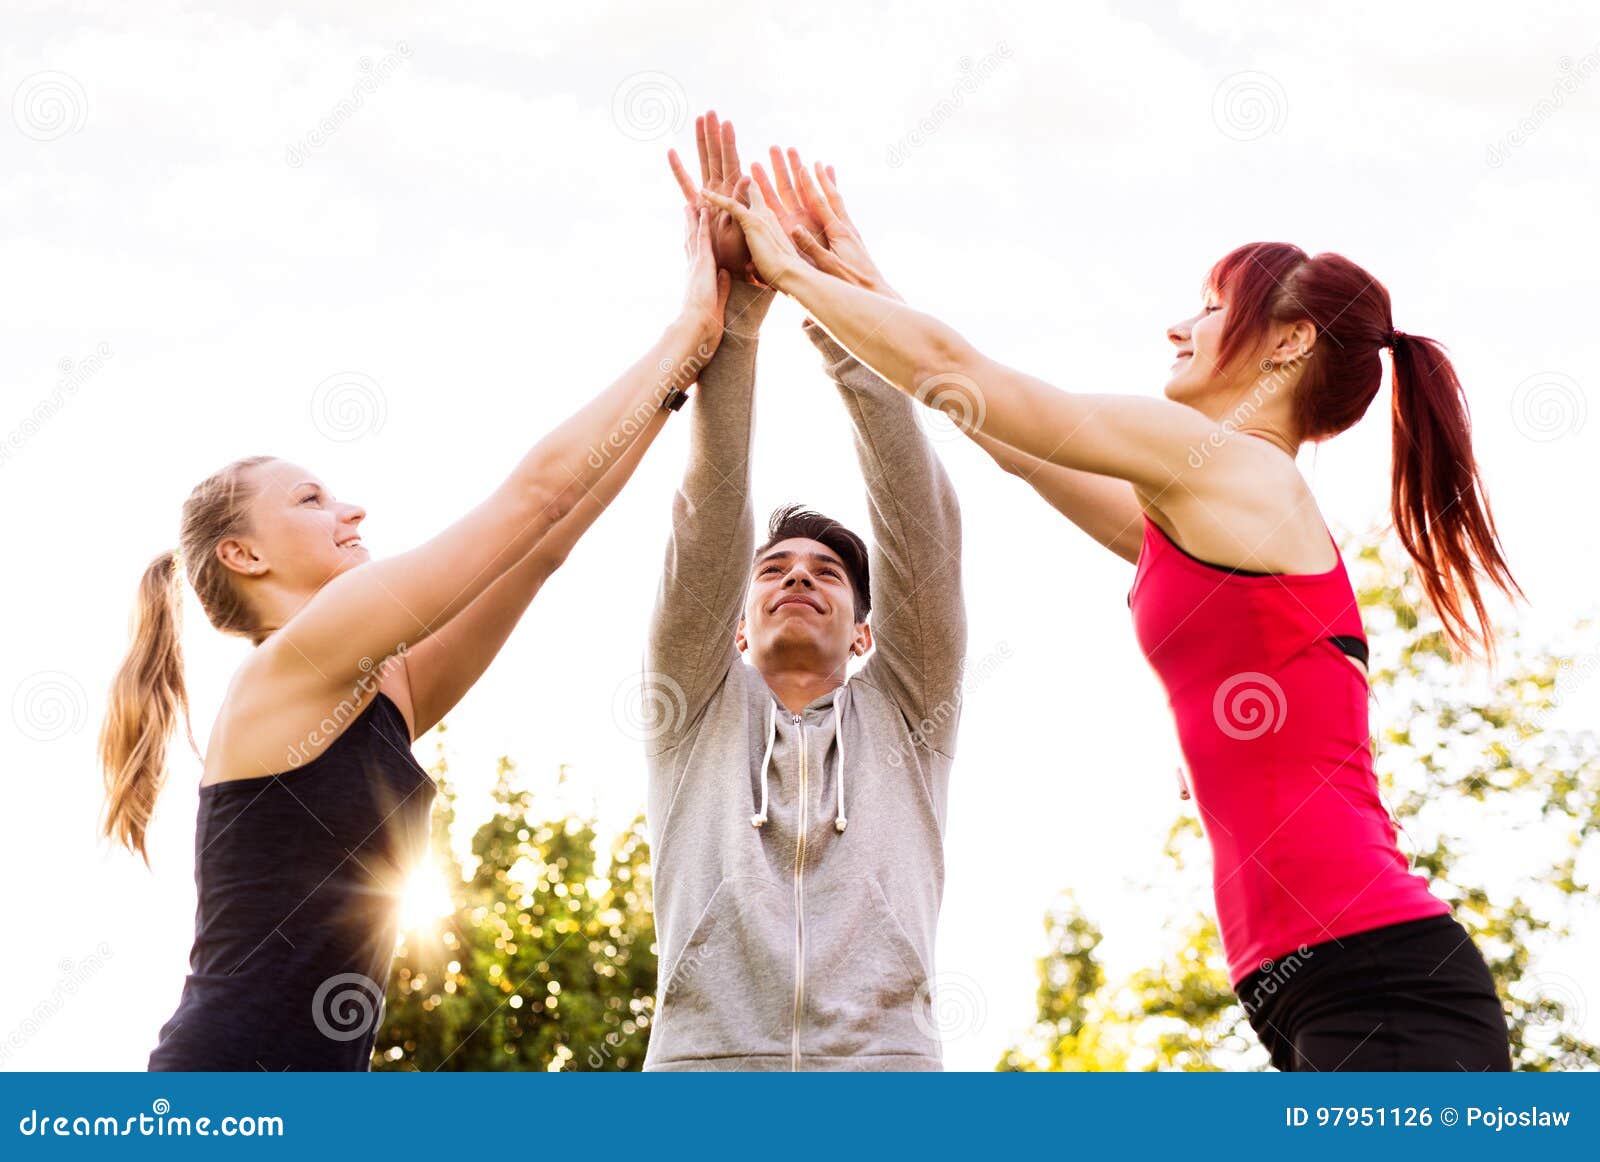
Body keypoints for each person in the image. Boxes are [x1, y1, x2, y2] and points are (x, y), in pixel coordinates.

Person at [707, 163, 1518, 1071]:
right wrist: (866, 289)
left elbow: (961, 376)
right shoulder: (1207, 507)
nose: (1178, 326)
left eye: (1211, 309)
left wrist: (789, 269)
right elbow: (1005, 433)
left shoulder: (1227, 467)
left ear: (1288, 342)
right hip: (1317, 983)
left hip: (1379, 980)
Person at [102, 211, 731, 1071]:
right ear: (242, 554)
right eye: (311, 499)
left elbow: (542, 545)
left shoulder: (378, 688)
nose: (350, 509)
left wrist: (684, 374)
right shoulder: (289, 669)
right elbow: (532, 498)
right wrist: (686, 327)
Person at [641, 112, 966, 1071]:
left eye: (828, 574)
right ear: (735, 628)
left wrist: (832, 310)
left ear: (867, 634)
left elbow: (921, 530)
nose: (797, 579)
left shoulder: (912, 711)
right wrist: (737, 326)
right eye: (774, 570)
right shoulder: (690, 706)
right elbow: (711, 517)